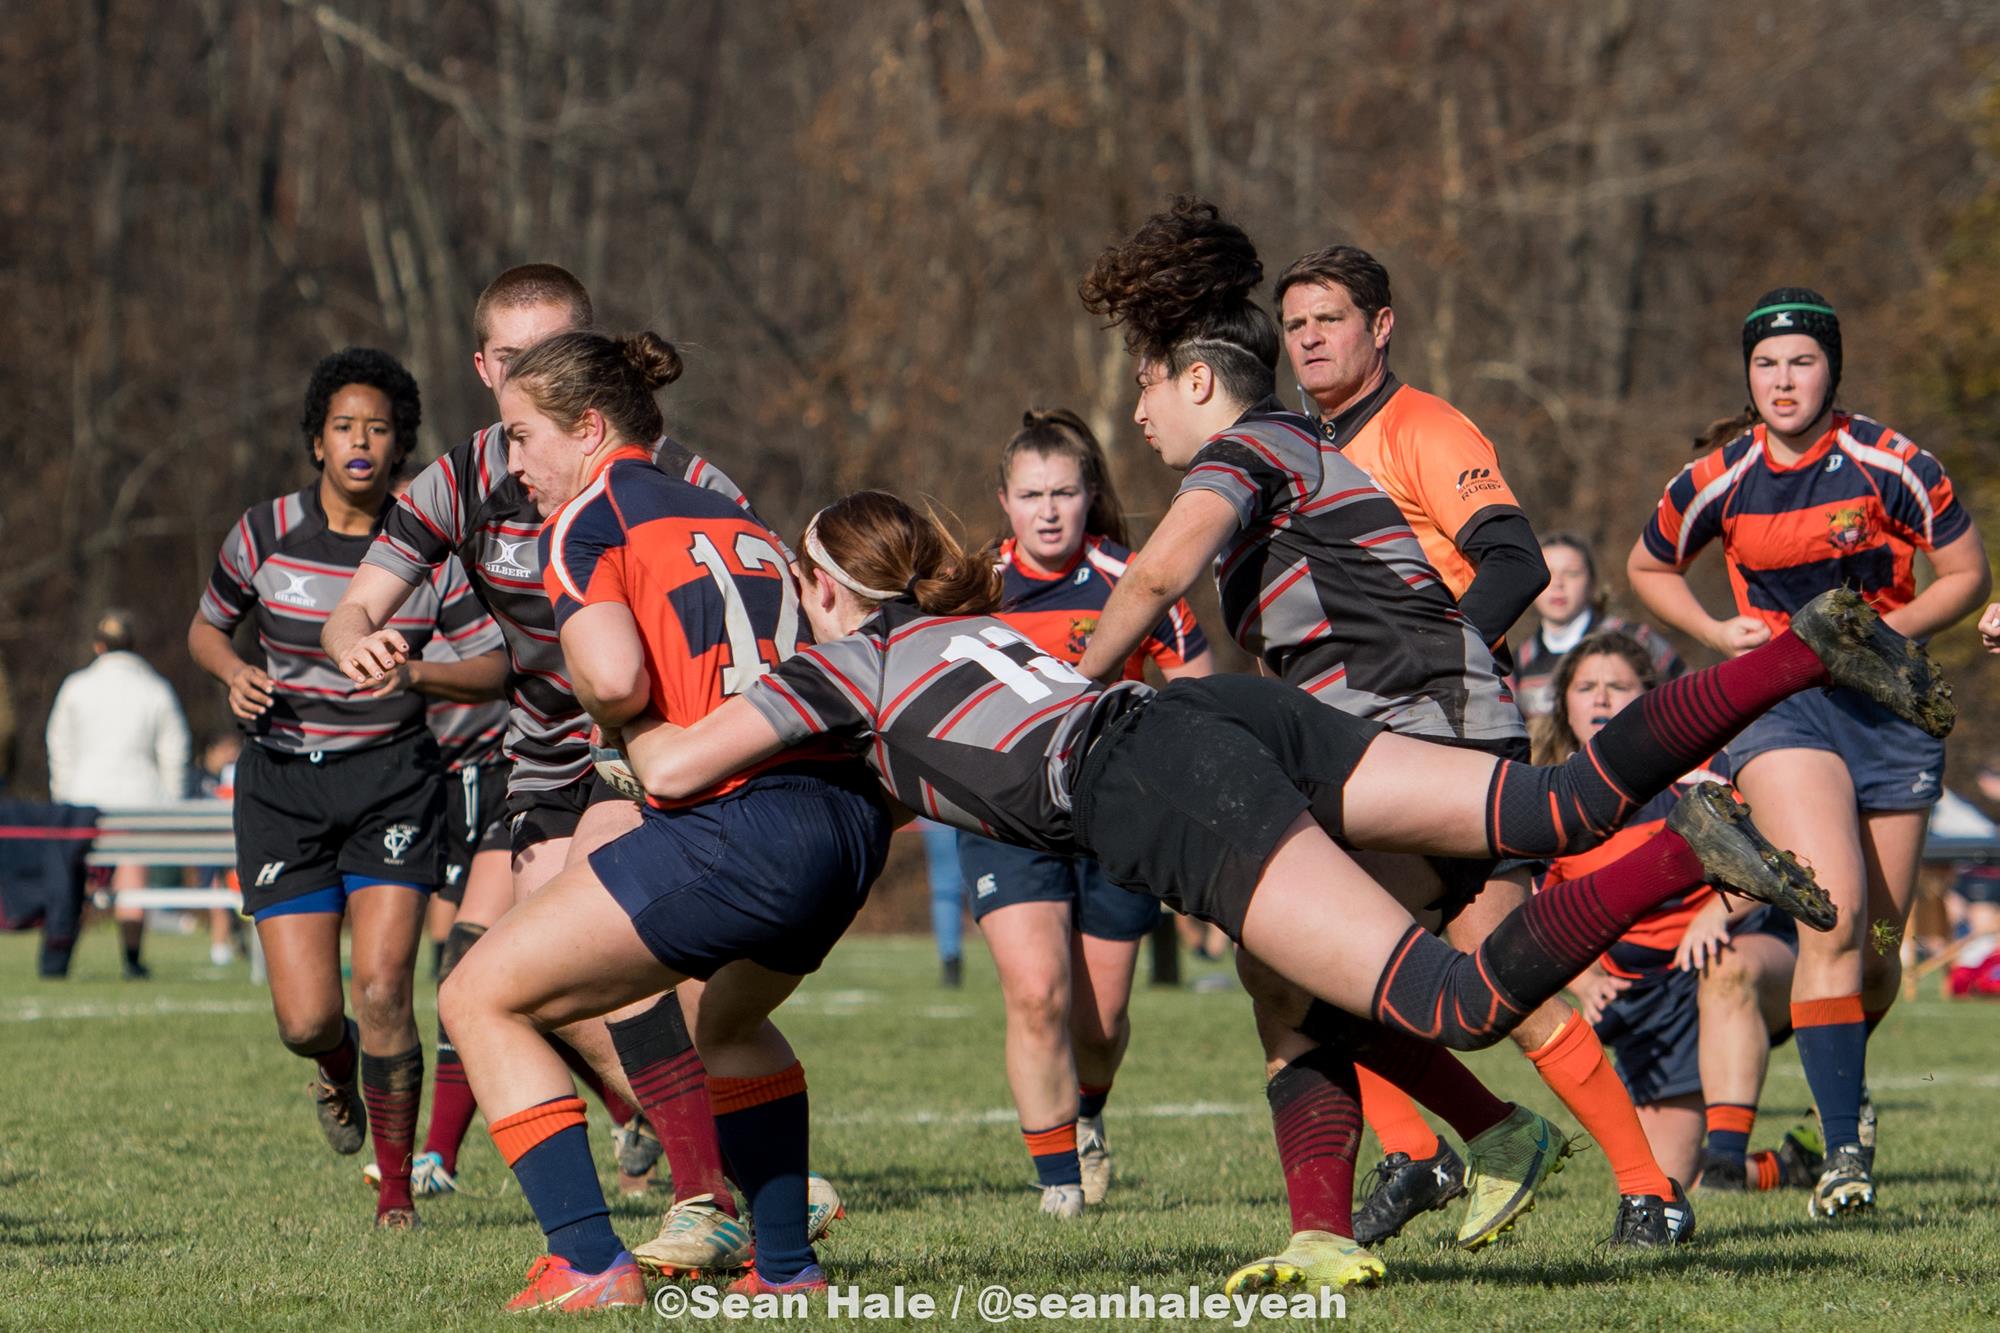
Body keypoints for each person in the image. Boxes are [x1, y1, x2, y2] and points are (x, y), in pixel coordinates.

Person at [619, 490, 1948, 1283]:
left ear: (825, 589)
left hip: (1163, 785)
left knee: (1450, 992)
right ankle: (1804, 654)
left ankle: (1679, 848)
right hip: (1229, 715)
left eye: (796, 578)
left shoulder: (838, 670)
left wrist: (614, 699)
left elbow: (675, 765)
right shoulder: (974, 623)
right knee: (1547, 804)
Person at [321, 266, 831, 1274]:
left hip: (657, 755)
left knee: (558, 974)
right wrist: (356, 641)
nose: (533, 373)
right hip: (550, 763)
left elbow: (762, 609)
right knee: (552, 986)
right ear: (484, 369)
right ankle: (728, 1180)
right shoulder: (466, 475)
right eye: (512, 359)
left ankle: (691, 1203)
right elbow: (359, 600)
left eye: (557, 350)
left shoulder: (663, 479)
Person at [437, 328, 891, 1311]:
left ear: (588, 428)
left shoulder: (589, 520)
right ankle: (786, 1271)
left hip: (738, 822)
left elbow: (612, 676)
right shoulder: (737, 516)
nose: (512, 465)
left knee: (479, 995)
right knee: (726, 1022)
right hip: (842, 822)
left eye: (520, 436)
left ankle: (590, 1262)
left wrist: (636, 734)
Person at [1255, 238, 1685, 1254]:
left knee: (1484, 984)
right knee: (1328, 967)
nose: (1310, 337)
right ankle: (1423, 1155)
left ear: (1380, 325)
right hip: (1358, 753)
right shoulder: (1293, 448)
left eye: (1329, 318)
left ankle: (1644, 1189)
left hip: (1444, 743)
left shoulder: (1421, 426)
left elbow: (1511, 556)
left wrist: (1423, 664)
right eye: (1295, 323)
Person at [1627, 287, 1990, 1219]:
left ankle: (1842, 1077)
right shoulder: (1716, 476)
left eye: (1801, 361)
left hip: (1892, 719)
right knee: (1834, 914)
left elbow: (1967, 574)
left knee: (1875, 951)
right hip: (1783, 713)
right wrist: (1713, 628)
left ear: (1832, 370)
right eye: (1766, 364)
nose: (1783, 380)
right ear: (1747, 378)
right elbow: (1646, 564)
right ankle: (1842, 1160)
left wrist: (1879, 642)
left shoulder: (1893, 462)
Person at [188, 347, 509, 1228]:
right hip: (282, 785)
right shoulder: (262, 533)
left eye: (379, 427)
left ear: (400, 442)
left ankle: (397, 1194)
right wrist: (231, 673)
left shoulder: (423, 552)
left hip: (392, 782)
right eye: (344, 426)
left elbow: (492, 667)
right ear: (318, 441)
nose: (361, 441)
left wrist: (420, 678)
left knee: (381, 989)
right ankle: (334, 1073)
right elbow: (206, 628)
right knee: (307, 1018)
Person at [961, 407, 1213, 1217]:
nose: (1048, 510)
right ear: (1004, 499)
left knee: (1099, 1022)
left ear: (1089, 493)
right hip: (1009, 819)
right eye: (1030, 493)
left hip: (1118, 821)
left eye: (1064, 492)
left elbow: (1205, 702)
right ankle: (1057, 1184)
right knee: (1037, 992)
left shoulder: (1137, 579)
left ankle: (1091, 1113)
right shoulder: (969, 591)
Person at [1537, 632, 1814, 1192]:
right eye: (1586, 687)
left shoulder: (1698, 770)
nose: (1601, 699)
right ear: (1564, 703)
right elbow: (1541, 919)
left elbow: (1771, 853)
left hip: (1727, 961)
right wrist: (1586, 980)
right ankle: (1785, 1166)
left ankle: (1732, 1156)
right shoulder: (1547, 802)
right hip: (1643, 1002)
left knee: (1727, 968)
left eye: (1618, 686)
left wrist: (1720, 909)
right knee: (1671, 1178)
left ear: (1648, 698)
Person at [46, 609, 192, 979]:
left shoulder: (76, 686)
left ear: (99, 646)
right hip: (139, 800)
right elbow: (175, 751)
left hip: (82, 800)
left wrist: (62, 793)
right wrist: (171, 803)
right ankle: (131, 958)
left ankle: (61, 957)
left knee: (73, 876)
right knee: (132, 876)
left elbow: (59, 745)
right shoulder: (155, 688)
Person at [1514, 534, 1683, 719]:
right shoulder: (1518, 663)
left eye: (1571, 573)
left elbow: (1687, 698)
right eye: (1547, 573)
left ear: (1591, 583)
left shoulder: (1636, 639)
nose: (1558, 584)